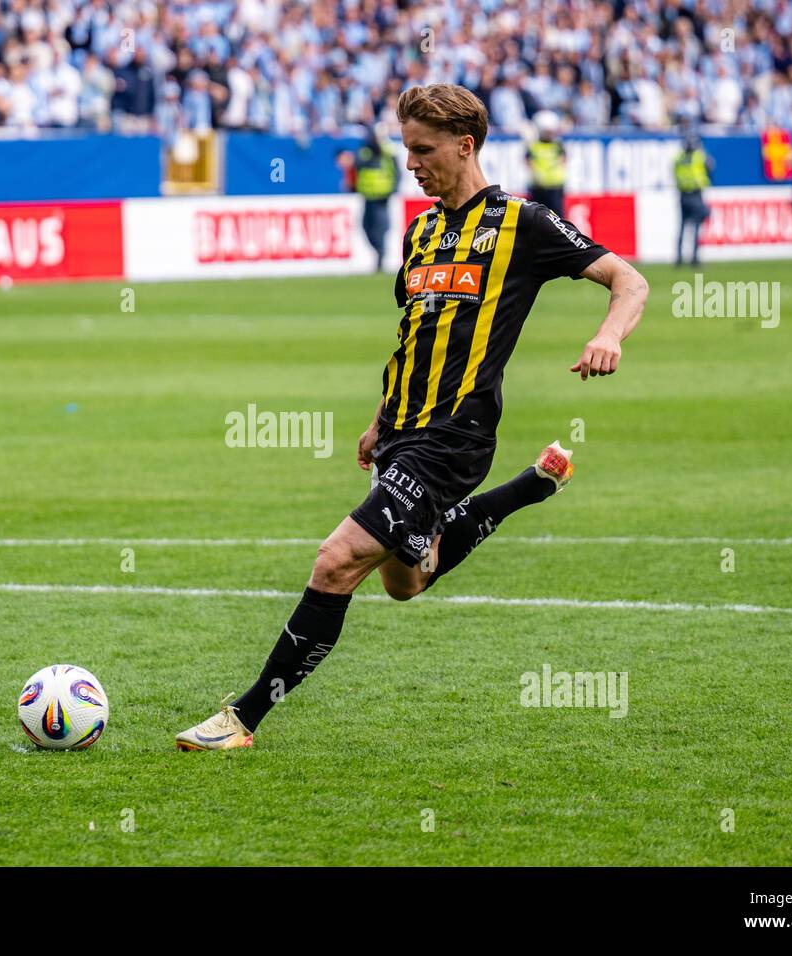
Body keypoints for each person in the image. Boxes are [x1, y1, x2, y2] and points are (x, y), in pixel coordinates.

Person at [175, 84, 649, 751]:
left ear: (466, 144)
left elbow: (631, 282)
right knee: (404, 582)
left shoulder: (525, 223)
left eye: (423, 150)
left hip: (455, 438)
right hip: (401, 434)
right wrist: (378, 420)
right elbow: (415, 335)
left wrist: (610, 336)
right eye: (406, 149)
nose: (411, 163)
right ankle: (526, 490)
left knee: (336, 561)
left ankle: (241, 719)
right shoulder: (422, 230)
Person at [352, 125, 399, 273]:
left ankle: (381, 255)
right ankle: (379, 252)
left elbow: (396, 172)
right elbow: (358, 164)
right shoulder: (366, 150)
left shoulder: (388, 150)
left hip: (382, 196)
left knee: (380, 228)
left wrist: (393, 189)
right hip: (368, 195)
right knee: (366, 227)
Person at [673, 131, 713, 266]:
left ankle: (678, 258)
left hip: (683, 195)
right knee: (695, 227)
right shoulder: (699, 157)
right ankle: (694, 258)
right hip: (696, 194)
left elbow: (674, 173)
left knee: (682, 227)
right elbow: (710, 167)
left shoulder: (678, 158)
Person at [526, 110, 566, 215]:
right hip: (539, 187)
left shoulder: (558, 145)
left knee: (557, 218)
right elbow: (529, 162)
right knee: (537, 217)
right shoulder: (534, 146)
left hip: (555, 186)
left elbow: (563, 160)